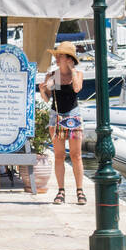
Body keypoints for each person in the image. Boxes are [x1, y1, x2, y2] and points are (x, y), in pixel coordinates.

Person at [41, 41, 86, 205]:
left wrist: (72, 70)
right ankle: (61, 191)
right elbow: (47, 99)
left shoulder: (78, 74)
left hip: (73, 116)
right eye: (57, 56)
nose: (57, 58)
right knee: (59, 155)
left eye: (60, 55)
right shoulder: (52, 76)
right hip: (56, 117)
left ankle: (80, 191)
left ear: (69, 58)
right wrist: (42, 91)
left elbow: (76, 88)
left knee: (76, 155)